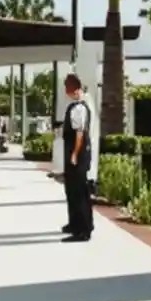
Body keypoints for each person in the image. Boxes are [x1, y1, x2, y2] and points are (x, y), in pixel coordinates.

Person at [60, 73, 94, 243]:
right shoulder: (74, 106)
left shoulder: (79, 108)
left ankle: (83, 229)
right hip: (74, 155)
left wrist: (74, 153)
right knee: (72, 190)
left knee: (79, 191)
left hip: (77, 156)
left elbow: (79, 133)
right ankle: (75, 223)